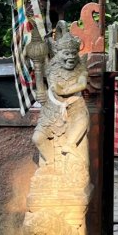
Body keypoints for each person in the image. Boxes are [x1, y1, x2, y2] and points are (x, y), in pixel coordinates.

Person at [32, 23, 89, 171]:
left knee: (82, 121)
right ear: (58, 53)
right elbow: (45, 84)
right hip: (52, 110)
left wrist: (64, 91)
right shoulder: (51, 68)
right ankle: (50, 165)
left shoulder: (81, 69)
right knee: (37, 138)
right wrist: (42, 92)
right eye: (66, 54)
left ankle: (69, 146)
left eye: (73, 53)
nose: (71, 57)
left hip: (75, 109)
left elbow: (82, 84)